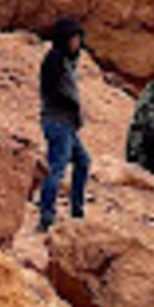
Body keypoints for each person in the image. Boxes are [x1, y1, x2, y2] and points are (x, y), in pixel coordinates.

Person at [38, 16, 90, 232]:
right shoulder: (54, 59)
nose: (76, 43)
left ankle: (77, 212)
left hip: (66, 123)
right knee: (57, 169)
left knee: (83, 161)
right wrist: (71, 105)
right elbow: (50, 89)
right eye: (73, 38)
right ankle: (46, 217)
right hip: (57, 122)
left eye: (78, 38)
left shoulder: (67, 61)